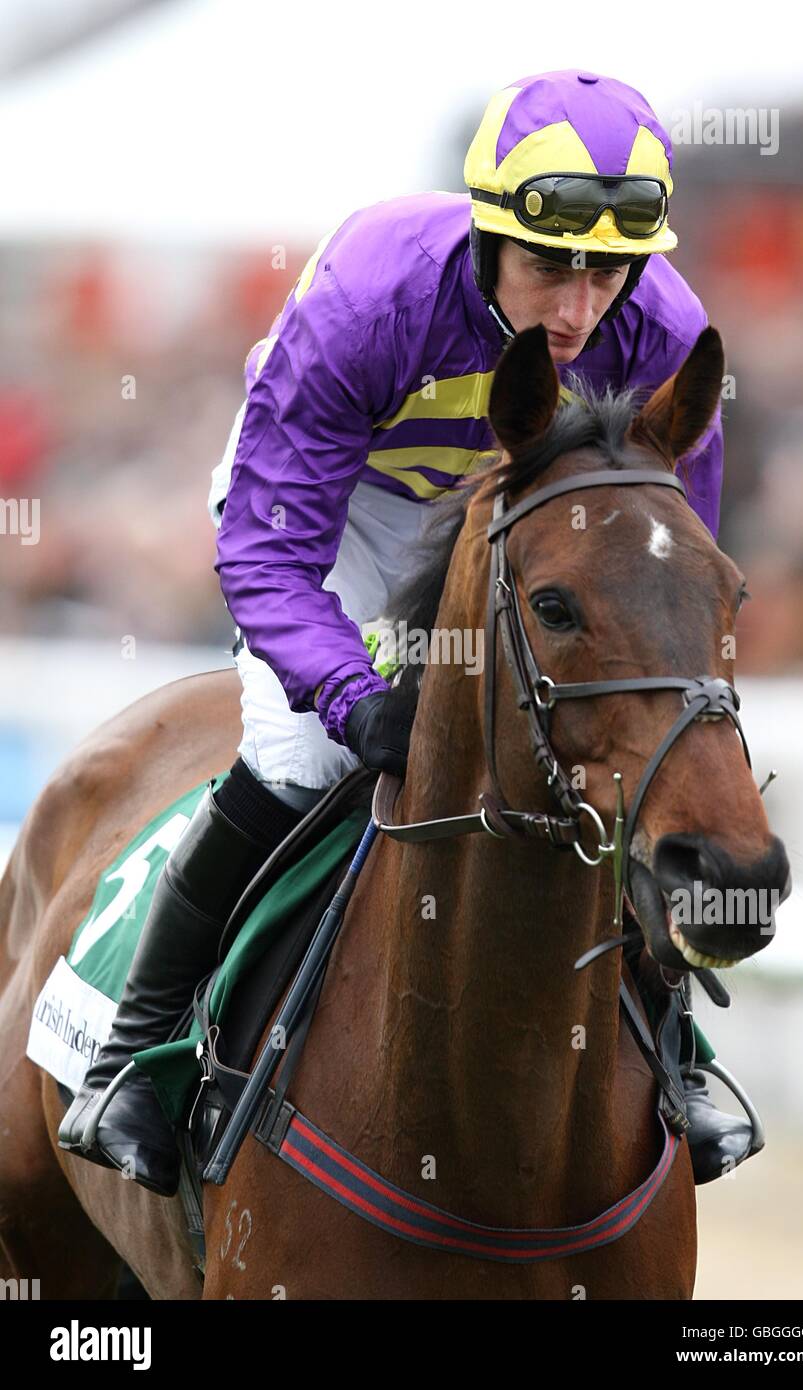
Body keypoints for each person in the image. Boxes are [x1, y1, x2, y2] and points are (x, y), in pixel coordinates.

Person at [59, 69, 753, 1196]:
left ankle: (677, 1057)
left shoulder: (665, 330)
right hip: (345, 510)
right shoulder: (373, 293)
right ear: (487, 233)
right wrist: (351, 691)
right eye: (548, 267)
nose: (579, 313)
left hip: (527, 524)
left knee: (608, 770)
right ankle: (137, 1057)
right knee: (302, 756)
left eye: (609, 272)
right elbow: (268, 547)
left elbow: (673, 567)